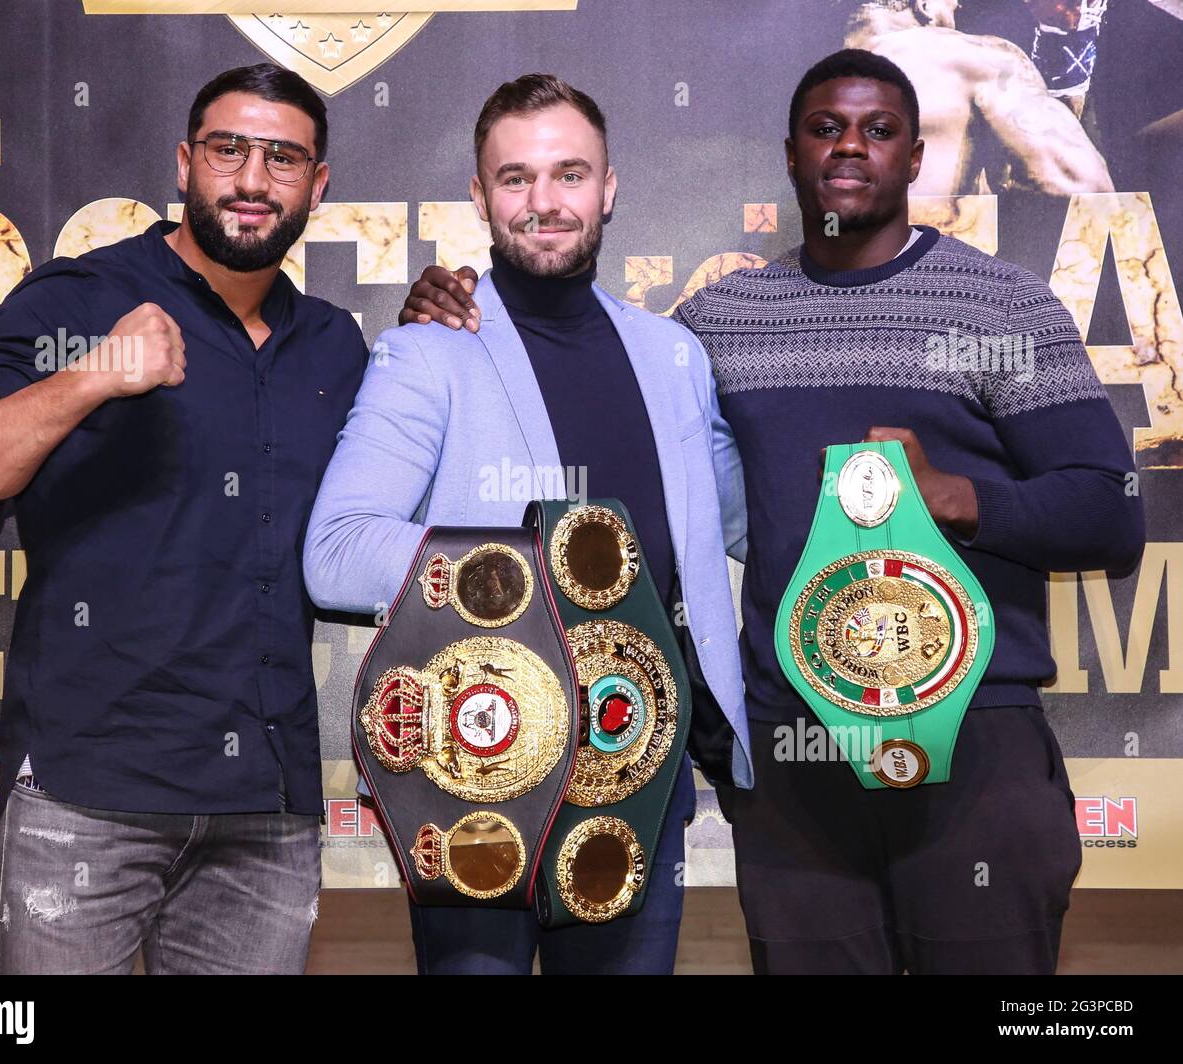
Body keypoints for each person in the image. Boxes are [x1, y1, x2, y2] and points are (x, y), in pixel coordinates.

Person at [396, 49, 1145, 974]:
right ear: (790, 156)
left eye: (880, 131)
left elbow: (1110, 515)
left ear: (916, 157)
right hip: (793, 747)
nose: (851, 148)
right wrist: (443, 306)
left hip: (970, 737)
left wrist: (951, 497)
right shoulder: (717, 322)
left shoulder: (1002, 305)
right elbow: (605, 395)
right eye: (827, 129)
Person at [0, 63, 367, 974]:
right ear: (185, 164)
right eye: (228, 149)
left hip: (266, 814)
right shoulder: (77, 299)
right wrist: (94, 376)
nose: (251, 179)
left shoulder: (334, 344)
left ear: (317, 187)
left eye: (283, 158)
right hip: (88, 800)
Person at [303, 74, 752, 975]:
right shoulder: (425, 352)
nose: (544, 203)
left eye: (569, 174)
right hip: (477, 765)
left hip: (639, 771)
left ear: (610, 188)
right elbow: (337, 553)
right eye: (516, 179)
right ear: (479, 196)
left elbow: (737, 525)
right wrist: (532, 578)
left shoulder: (674, 357)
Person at [840, 0, 1112, 194]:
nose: (957, 14)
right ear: (924, 5)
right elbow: (1084, 185)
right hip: (937, 267)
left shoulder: (812, 83)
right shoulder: (979, 58)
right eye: (953, 5)